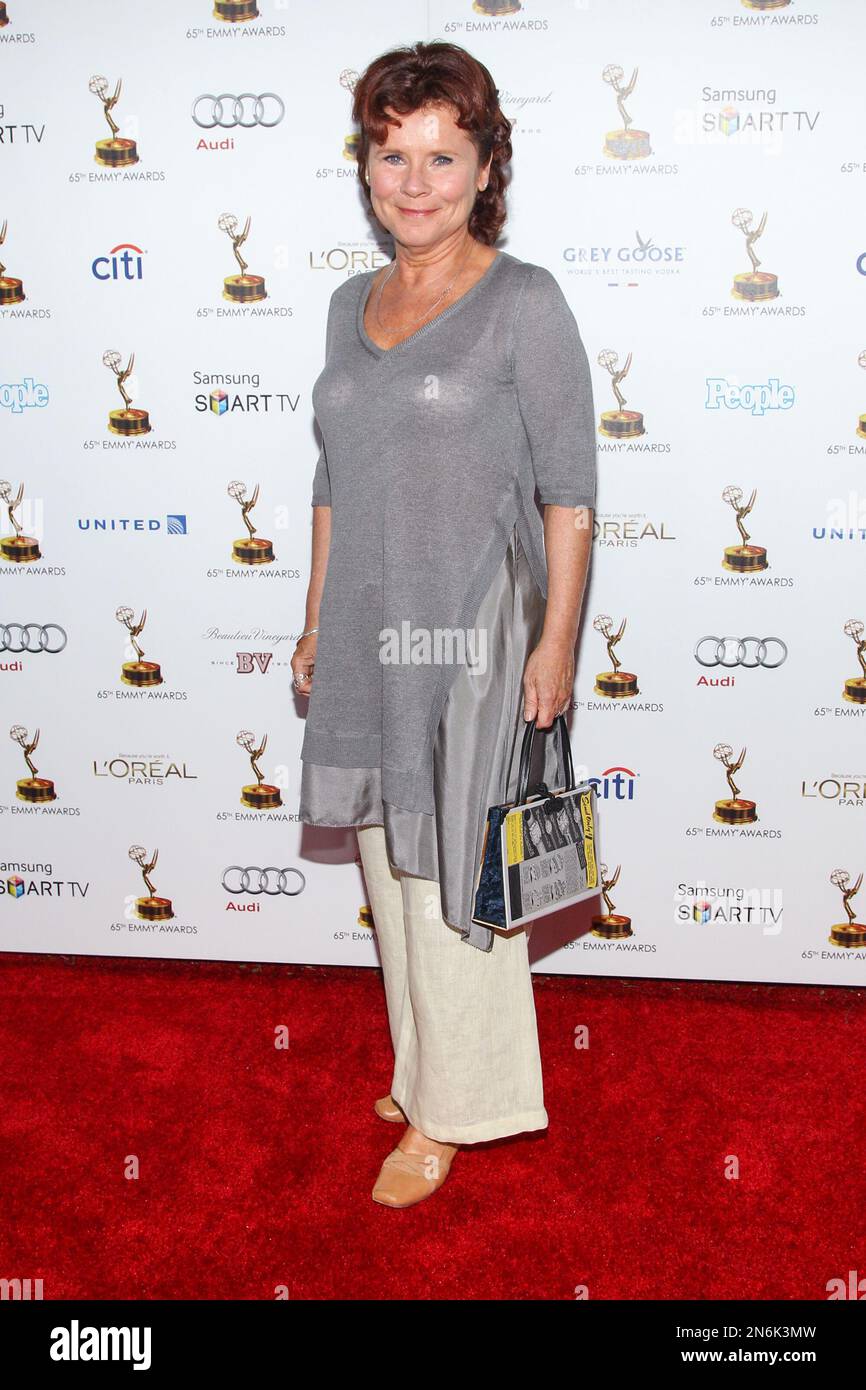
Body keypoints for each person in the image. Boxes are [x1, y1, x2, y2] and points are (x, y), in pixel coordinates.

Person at [291, 40, 596, 1208]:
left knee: (457, 877)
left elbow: (568, 490)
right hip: (367, 627)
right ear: (367, 164)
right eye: (390, 153)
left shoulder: (525, 302)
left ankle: (454, 1112)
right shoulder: (343, 303)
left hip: (472, 635)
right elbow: (332, 480)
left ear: (482, 170)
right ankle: (425, 1064)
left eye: (439, 157)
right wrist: (316, 615)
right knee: (390, 858)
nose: (411, 182)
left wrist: (556, 642)